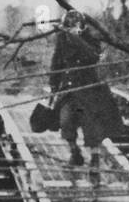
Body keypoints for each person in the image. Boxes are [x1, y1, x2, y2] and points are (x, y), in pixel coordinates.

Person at [50, 11, 123, 186]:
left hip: (90, 91)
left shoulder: (90, 38)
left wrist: (77, 39)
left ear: (81, 27)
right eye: (69, 27)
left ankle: (95, 162)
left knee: (92, 127)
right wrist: (53, 85)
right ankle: (75, 153)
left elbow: (93, 56)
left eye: (74, 27)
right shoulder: (62, 40)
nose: (71, 30)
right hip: (70, 90)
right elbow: (57, 62)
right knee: (65, 121)